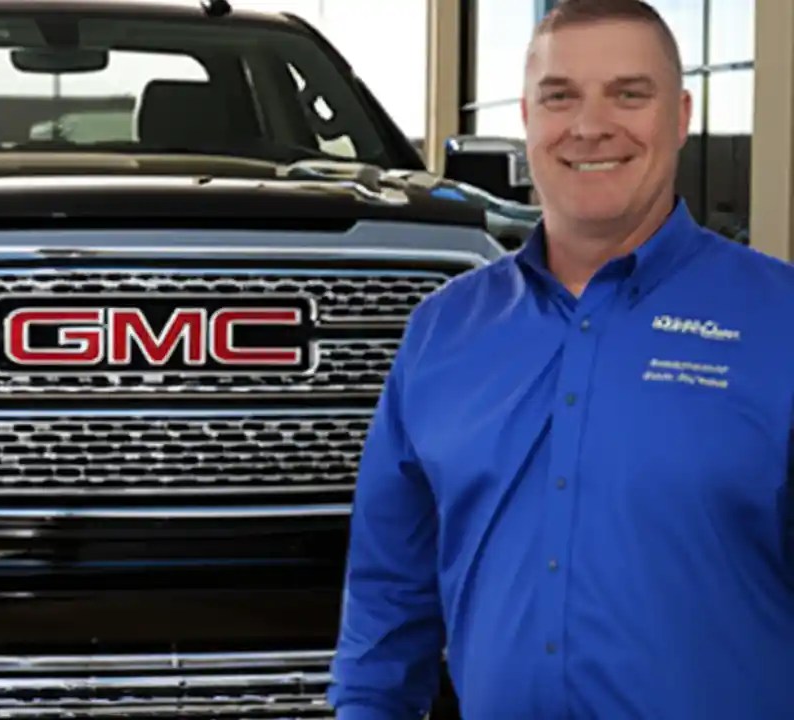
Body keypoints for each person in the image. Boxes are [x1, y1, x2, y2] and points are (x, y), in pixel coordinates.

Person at [328, 0, 794, 718]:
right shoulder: (442, 333)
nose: (590, 125)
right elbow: (390, 599)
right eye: (560, 97)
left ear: (681, 115)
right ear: (527, 117)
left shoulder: (779, 322)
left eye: (629, 94)